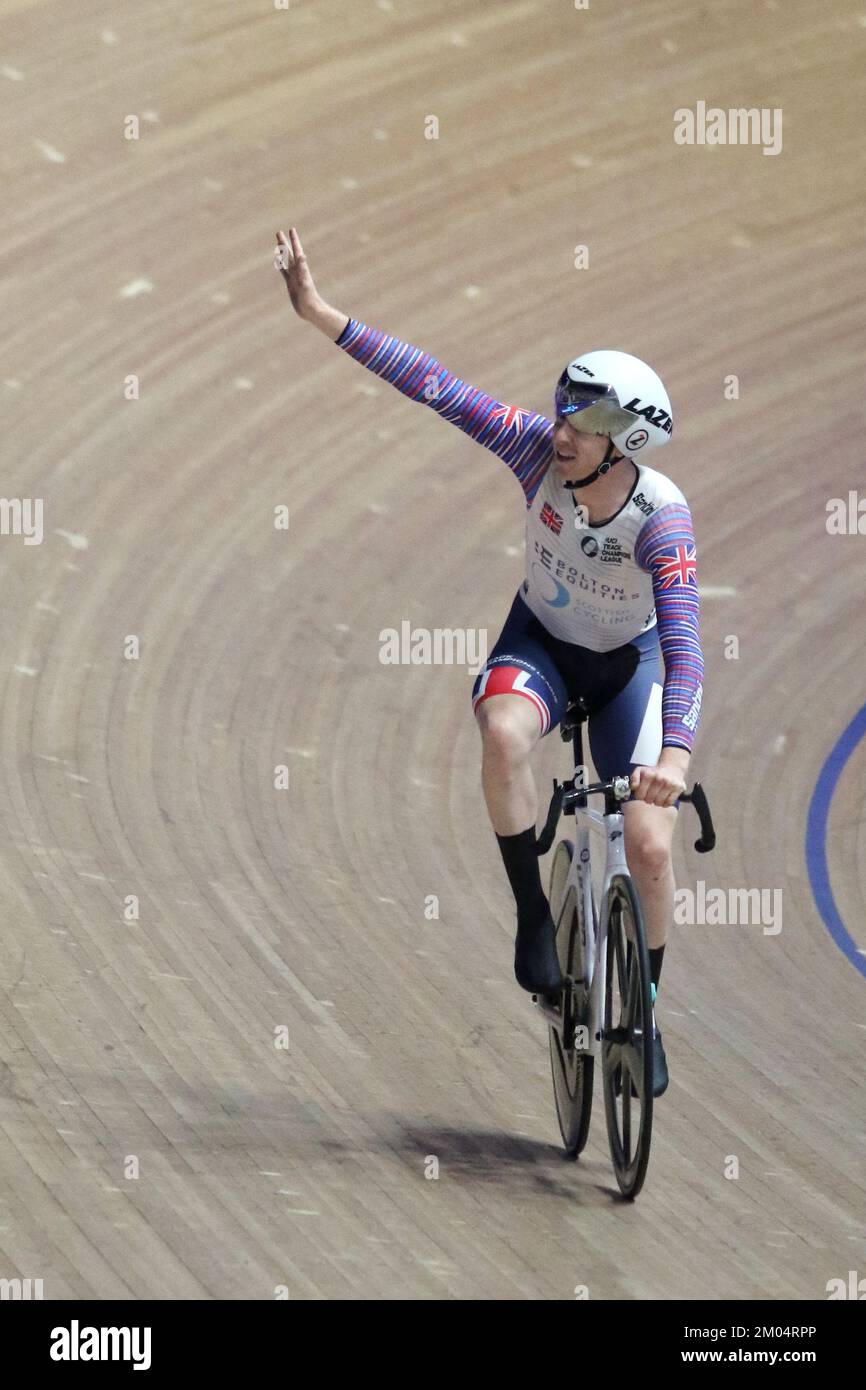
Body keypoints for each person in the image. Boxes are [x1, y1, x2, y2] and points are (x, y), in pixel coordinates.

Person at [274, 227, 704, 1096]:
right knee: (502, 730)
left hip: (630, 668)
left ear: (625, 443)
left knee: (650, 846)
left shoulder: (661, 519)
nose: (560, 432)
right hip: (541, 641)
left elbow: (687, 644)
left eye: (582, 423)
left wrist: (674, 759)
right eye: (561, 412)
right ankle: (534, 920)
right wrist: (322, 314)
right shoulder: (529, 449)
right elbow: (433, 383)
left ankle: (646, 1010)